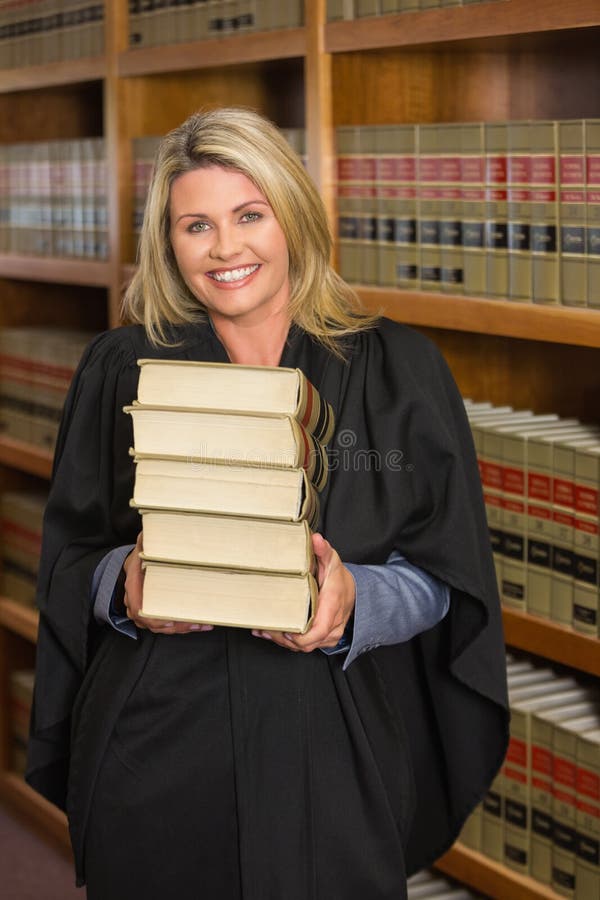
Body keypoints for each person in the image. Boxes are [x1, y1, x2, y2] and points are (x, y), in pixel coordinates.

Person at [27, 107, 509, 900]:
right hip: (157, 741)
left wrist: (356, 599)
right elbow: (69, 557)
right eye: (196, 225)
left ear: (291, 215)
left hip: (334, 746)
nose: (225, 248)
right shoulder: (121, 369)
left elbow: (447, 580)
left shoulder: (399, 371)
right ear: (168, 241)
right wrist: (124, 585)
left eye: (249, 215)